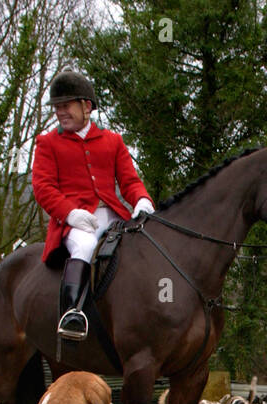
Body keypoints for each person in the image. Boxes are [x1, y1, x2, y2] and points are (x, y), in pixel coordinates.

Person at [32, 69, 155, 340]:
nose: (60, 112)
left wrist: (142, 200)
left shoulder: (112, 141)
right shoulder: (47, 143)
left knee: (142, 244)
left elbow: (129, 181)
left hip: (112, 215)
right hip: (75, 222)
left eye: (66, 106)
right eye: (57, 108)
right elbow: (43, 187)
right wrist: (70, 214)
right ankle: (71, 314)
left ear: (86, 106)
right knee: (86, 246)